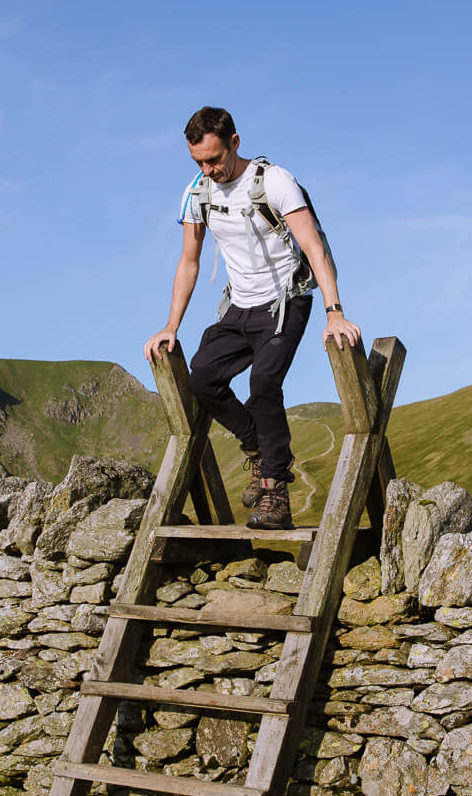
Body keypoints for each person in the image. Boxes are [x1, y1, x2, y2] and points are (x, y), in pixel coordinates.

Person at [144, 106, 360, 529]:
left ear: (234, 142)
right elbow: (189, 261)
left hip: (286, 303)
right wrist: (171, 326)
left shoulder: (275, 182)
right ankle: (260, 448)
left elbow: (314, 248)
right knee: (202, 378)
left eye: (214, 159)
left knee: (263, 383)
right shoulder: (197, 193)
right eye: (198, 162)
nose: (208, 170)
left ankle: (275, 493)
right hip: (239, 306)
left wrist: (334, 312)